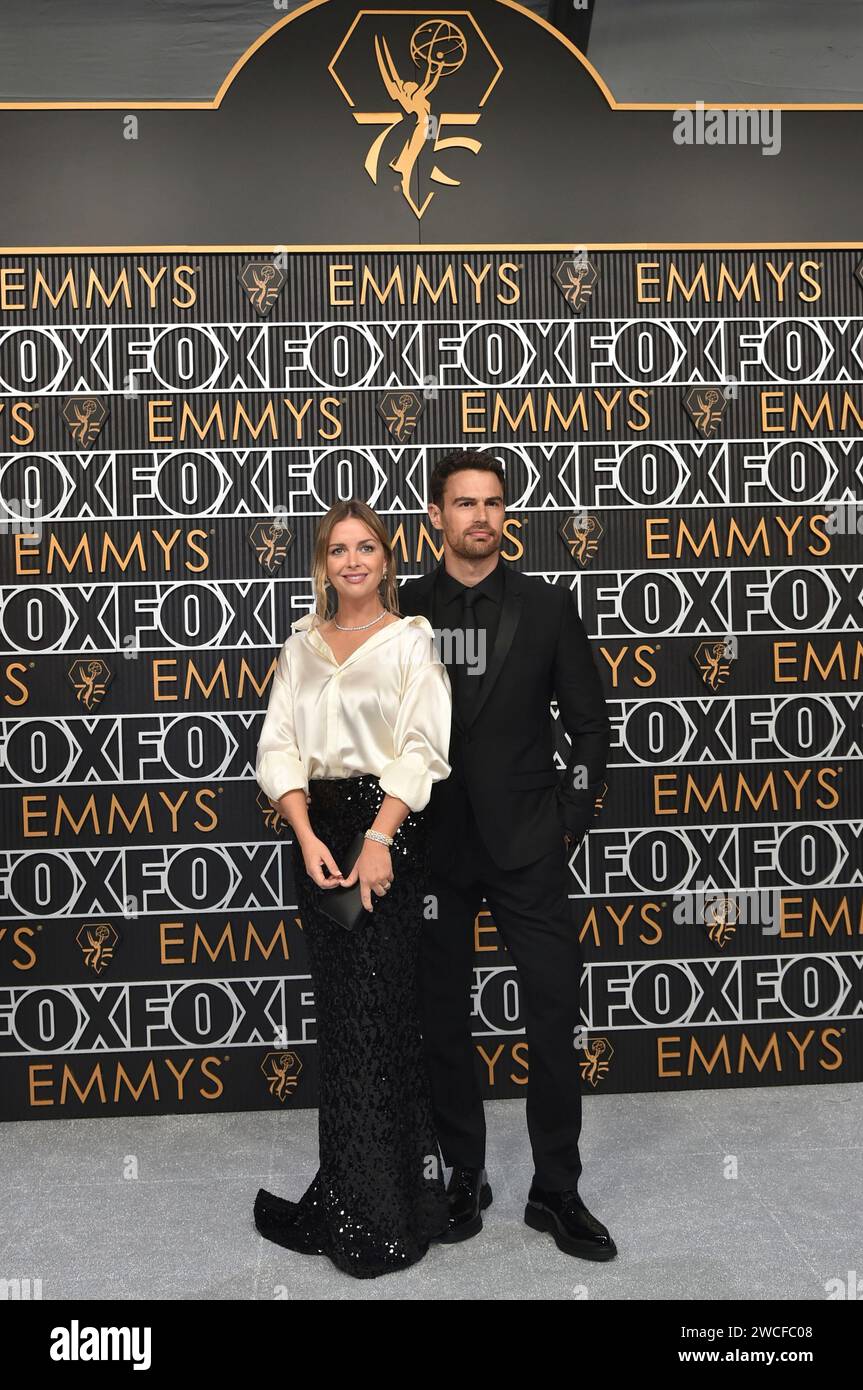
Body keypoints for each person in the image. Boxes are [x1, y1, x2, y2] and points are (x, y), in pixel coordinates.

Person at [399, 448, 618, 1261]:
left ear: (504, 516)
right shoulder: (402, 606)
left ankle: (555, 1189)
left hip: (529, 847)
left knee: (553, 1019)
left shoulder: (547, 606)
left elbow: (592, 728)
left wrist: (566, 822)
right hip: (431, 853)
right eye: (463, 503)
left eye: (492, 503)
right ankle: (463, 1174)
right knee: (442, 1025)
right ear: (435, 516)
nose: (480, 517)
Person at [253, 500, 453, 1279]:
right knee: (341, 1021)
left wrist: (378, 840)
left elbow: (422, 746)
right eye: (338, 550)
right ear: (323, 564)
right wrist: (304, 839)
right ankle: (346, 1192)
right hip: (317, 839)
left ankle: (387, 1207)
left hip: (386, 837)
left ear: (385, 559)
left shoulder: (411, 642)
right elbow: (280, 747)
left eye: (365, 547)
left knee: (381, 1017)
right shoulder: (301, 646)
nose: (352, 561)